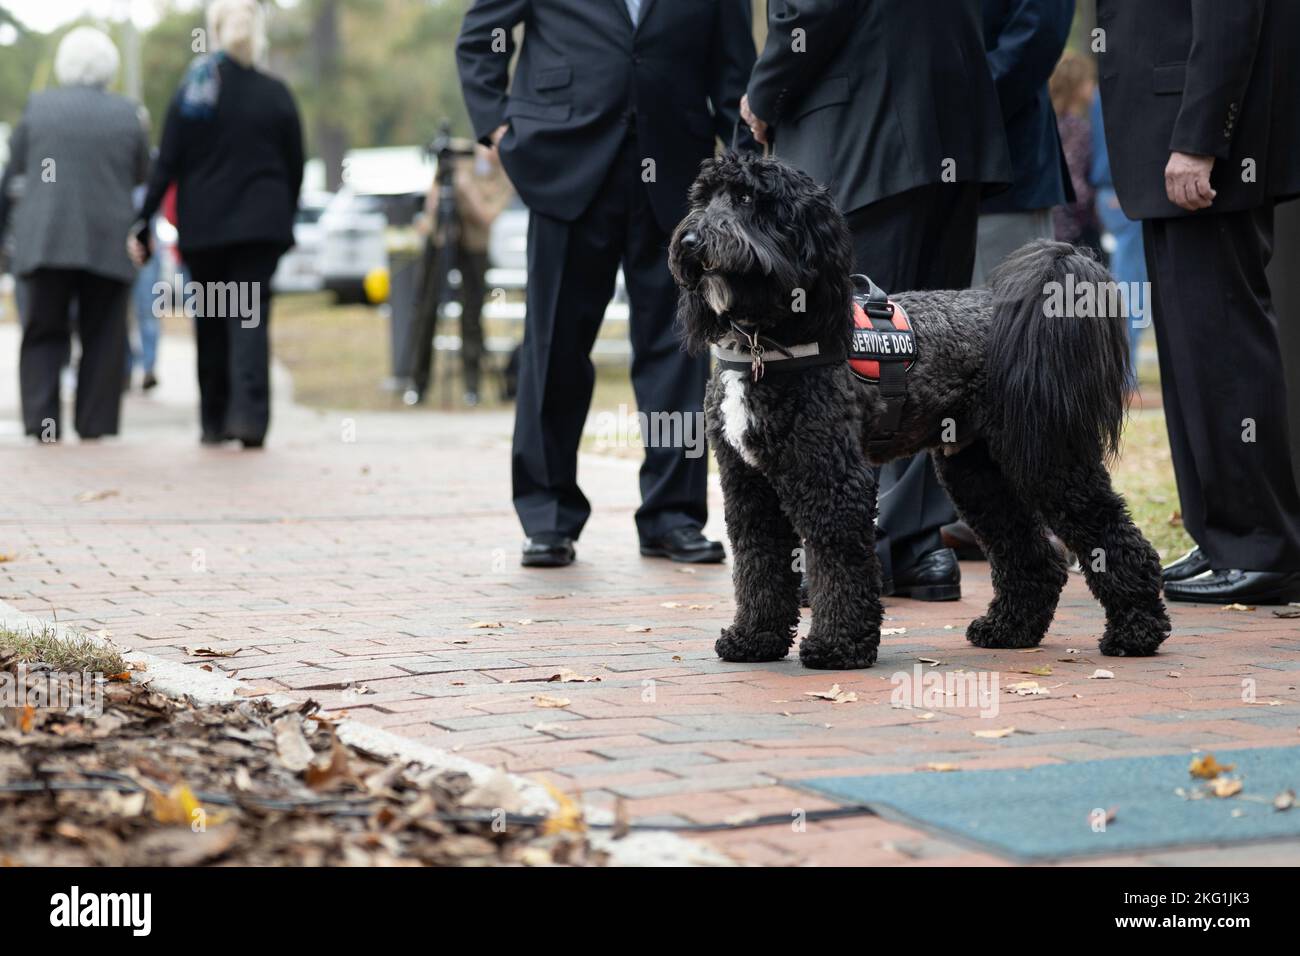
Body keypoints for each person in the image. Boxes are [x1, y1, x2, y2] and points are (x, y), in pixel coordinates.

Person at [457, 0, 756, 568]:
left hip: (676, 173)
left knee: (677, 350)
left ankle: (672, 515)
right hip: (562, 163)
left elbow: (735, 69)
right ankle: (547, 517)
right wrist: (495, 124)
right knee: (553, 349)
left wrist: (738, 171)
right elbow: (481, 34)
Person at [740, 0, 1011, 600]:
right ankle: (913, 545)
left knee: (849, 355)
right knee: (921, 351)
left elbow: (812, 8)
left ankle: (857, 550)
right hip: (947, 120)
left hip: (861, 130)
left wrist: (763, 92)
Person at [1098, 0, 1300, 604]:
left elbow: (1231, 15)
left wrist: (1200, 137)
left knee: (1224, 347)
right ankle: (1222, 536)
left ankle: (1263, 546)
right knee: (1191, 353)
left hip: (1200, 141)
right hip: (1166, 137)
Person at [133, 0, 304, 449]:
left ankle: (213, 420)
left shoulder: (193, 94)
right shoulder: (276, 94)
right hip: (258, 231)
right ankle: (249, 420)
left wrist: (141, 220)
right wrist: (284, 218)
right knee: (248, 319)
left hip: (205, 229)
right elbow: (295, 166)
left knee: (210, 318)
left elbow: (166, 162)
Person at [0, 27, 149, 442]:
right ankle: (95, 425)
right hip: (106, 238)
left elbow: (14, 172)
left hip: (46, 238)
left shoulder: (38, 107)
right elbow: (141, 174)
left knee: (44, 331)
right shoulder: (127, 113)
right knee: (103, 334)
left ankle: (43, 424)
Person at [972, 0, 1075, 285]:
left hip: (1005, 172)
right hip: (940, 181)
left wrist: (957, 106)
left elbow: (1039, 34)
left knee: (1010, 316)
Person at [407, 143, 513, 408]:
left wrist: (465, 191)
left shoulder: (506, 175)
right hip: (442, 238)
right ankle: (417, 383)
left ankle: (471, 385)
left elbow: (488, 216)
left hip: (474, 247)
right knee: (426, 310)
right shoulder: (460, 154)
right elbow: (434, 193)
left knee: (471, 316)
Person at [1088, 87, 1148, 386]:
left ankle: (1119, 372)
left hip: (1111, 190)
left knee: (1128, 286)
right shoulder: (1126, 88)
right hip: (1122, 190)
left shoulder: (1105, 87)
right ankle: (1121, 375)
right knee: (1131, 289)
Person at [1050, 51, 1100, 252]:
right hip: (1074, 224)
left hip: (1052, 218)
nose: (1093, 86)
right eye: (1089, 80)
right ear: (1077, 85)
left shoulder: (1052, 123)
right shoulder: (1076, 127)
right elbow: (1074, 179)